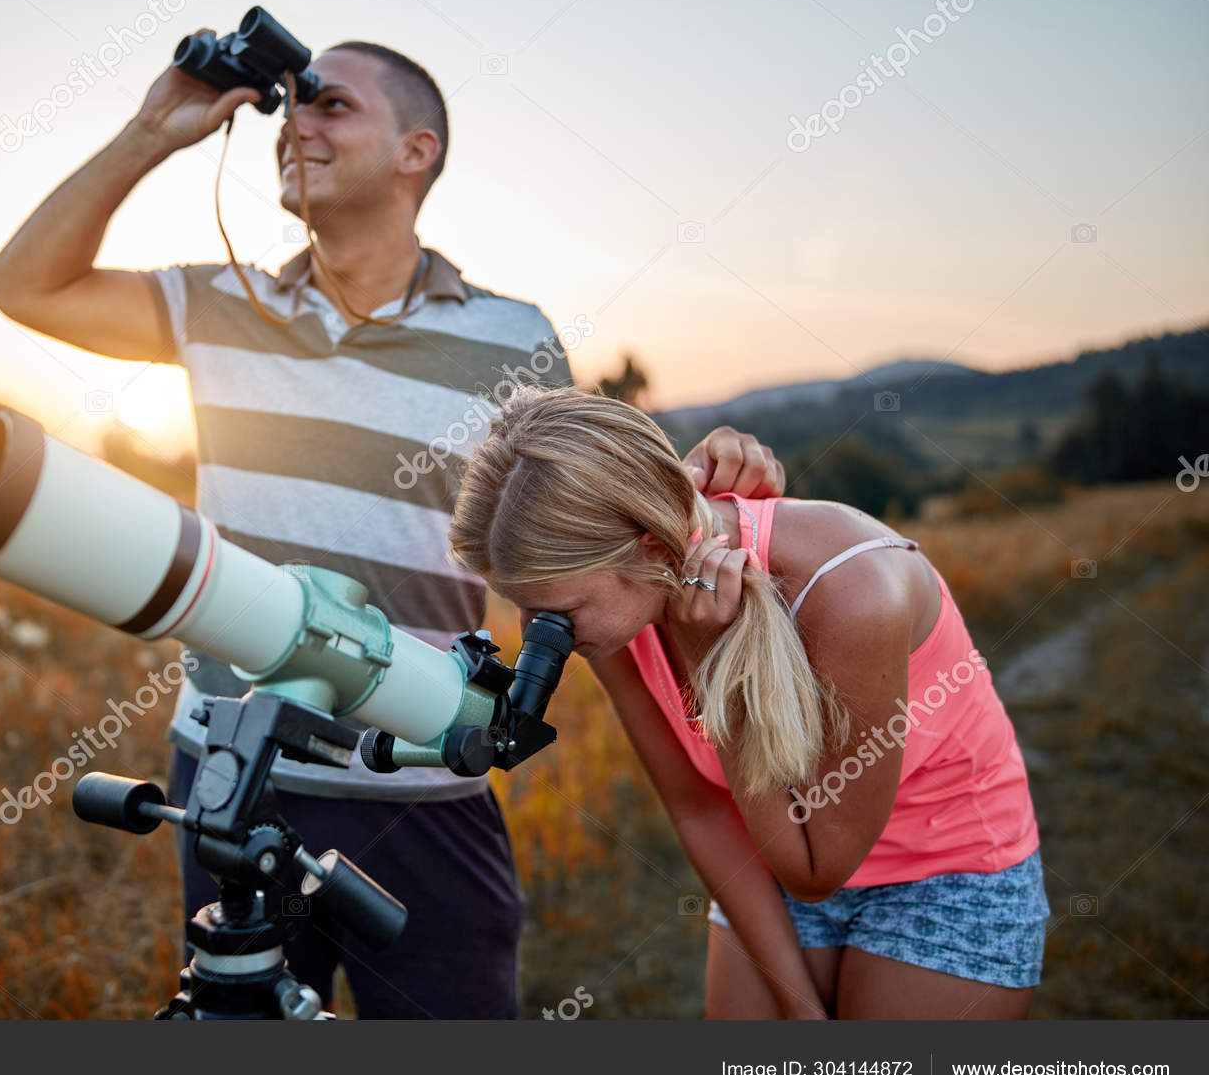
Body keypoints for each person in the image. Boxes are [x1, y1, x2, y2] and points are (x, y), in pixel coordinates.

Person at [0, 36, 785, 1018]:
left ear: (416, 150)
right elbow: (20, 286)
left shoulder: (510, 337)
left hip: (419, 788)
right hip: (233, 772)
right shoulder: (219, 302)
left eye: (329, 104)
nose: (295, 125)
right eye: (286, 107)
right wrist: (154, 131)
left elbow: (584, 544)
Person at [447, 385, 1049, 1019]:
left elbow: (818, 869)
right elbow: (699, 806)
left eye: (555, 613)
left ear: (652, 547)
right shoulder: (611, 616)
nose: (542, 635)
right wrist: (797, 1007)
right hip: (774, 851)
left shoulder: (853, 592)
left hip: (944, 872)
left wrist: (714, 668)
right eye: (524, 606)